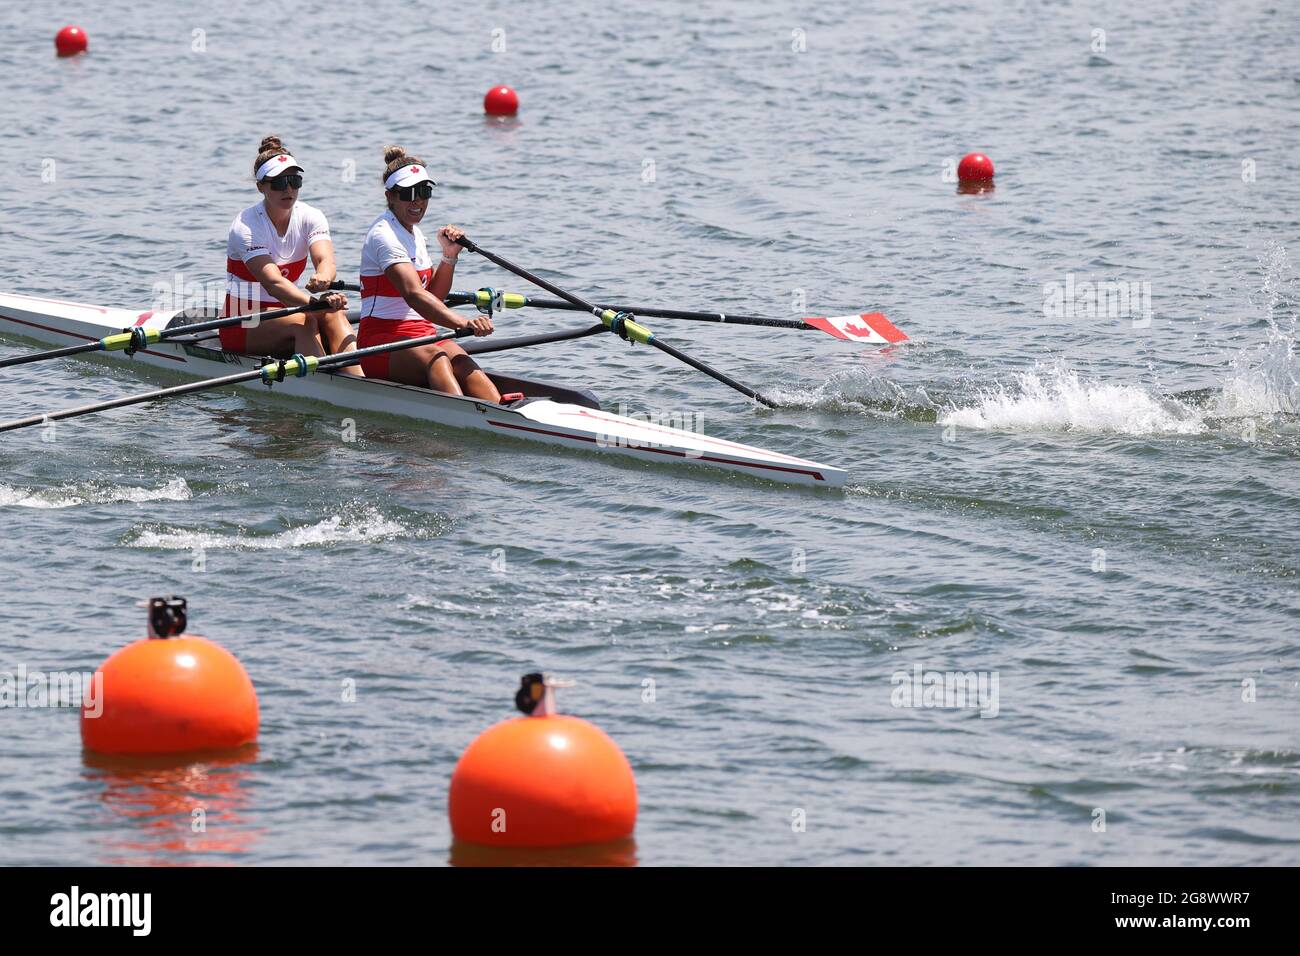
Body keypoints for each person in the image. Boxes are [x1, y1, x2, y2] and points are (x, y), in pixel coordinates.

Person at [355, 146, 499, 399]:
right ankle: (464, 421)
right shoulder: (383, 235)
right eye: (408, 193)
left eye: (424, 192)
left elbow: (433, 296)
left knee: (463, 364)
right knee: (439, 359)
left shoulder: (415, 233)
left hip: (422, 336)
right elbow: (413, 295)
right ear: (390, 196)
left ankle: (503, 415)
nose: (418, 201)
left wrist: (449, 256)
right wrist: (464, 322)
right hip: (379, 343)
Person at [222, 135, 361, 375]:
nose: (288, 189)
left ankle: (360, 383)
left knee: (333, 315)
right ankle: (327, 390)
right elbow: (274, 284)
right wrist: (314, 304)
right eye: (279, 183)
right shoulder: (246, 226)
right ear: (261, 187)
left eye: (294, 180)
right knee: (306, 324)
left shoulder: (311, 216)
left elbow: (325, 260)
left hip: (288, 311)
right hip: (243, 320)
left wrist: (322, 278)